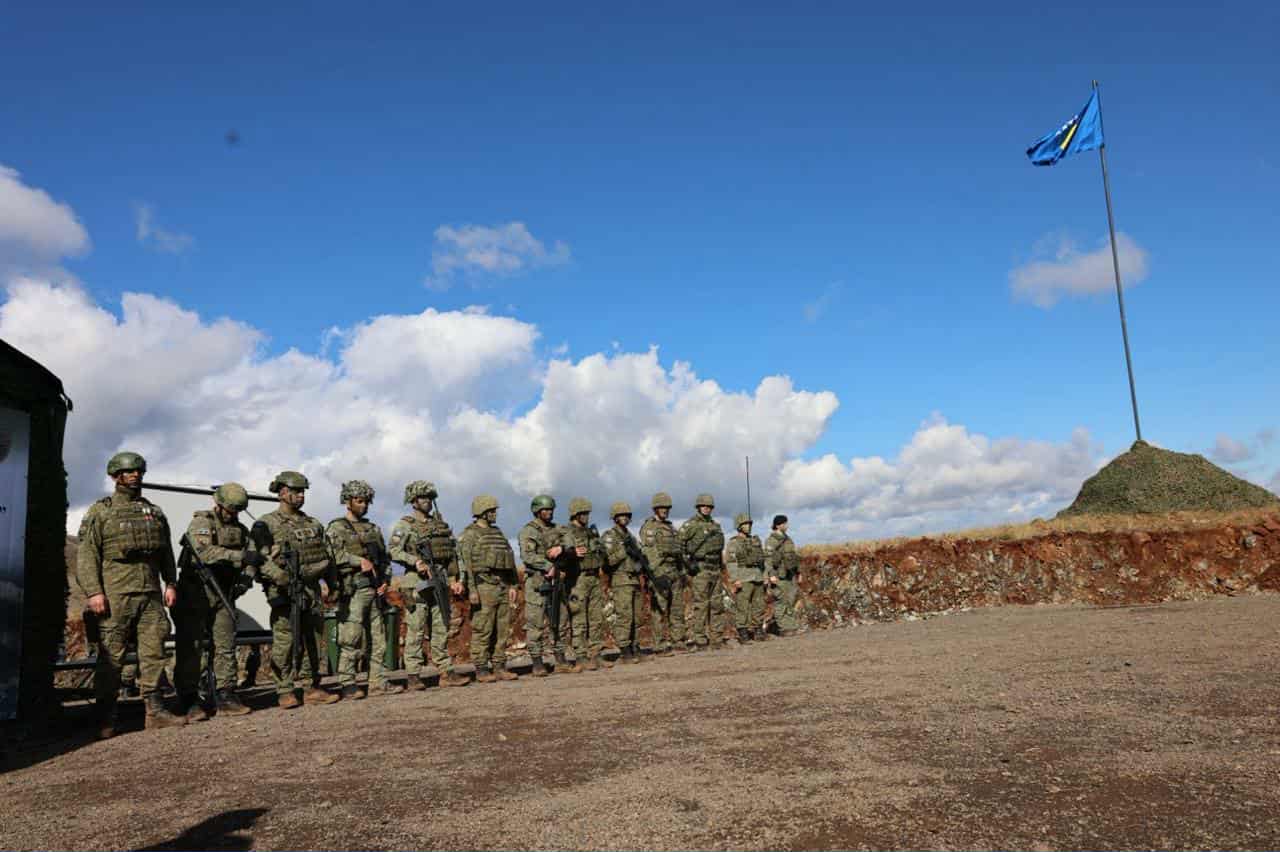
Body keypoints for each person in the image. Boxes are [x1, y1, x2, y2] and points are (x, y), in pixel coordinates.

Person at [77, 451, 185, 737]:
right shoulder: (101, 512)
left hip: (150, 594)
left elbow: (166, 551)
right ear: (116, 476)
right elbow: (87, 555)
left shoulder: (154, 512)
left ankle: (155, 711)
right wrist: (94, 592)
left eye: (139, 471)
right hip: (116, 594)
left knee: (154, 651)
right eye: (129, 471)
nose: (135, 475)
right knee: (111, 656)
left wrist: (170, 583)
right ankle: (105, 717)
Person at [249, 471, 340, 709]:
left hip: (311, 589)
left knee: (313, 639)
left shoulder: (312, 524)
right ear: (282, 492)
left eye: (303, 492)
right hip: (284, 591)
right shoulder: (266, 523)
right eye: (296, 491)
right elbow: (257, 558)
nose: (301, 496)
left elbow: (328, 555)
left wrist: (332, 584)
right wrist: (279, 577)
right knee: (285, 641)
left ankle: (311, 686)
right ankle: (285, 689)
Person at [174, 482, 263, 719]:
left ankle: (226, 694)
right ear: (219, 504)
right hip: (196, 593)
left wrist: (245, 580)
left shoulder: (241, 530)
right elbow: (204, 552)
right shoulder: (202, 523)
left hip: (224, 593)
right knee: (191, 647)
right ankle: (189, 698)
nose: (233, 514)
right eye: (231, 509)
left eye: (238, 510)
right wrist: (239, 556)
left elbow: (253, 558)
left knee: (225, 646)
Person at [327, 480, 403, 699]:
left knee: (378, 639)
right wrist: (357, 560)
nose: (364, 506)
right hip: (353, 591)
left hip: (375, 590)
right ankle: (347, 683)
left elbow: (384, 559)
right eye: (359, 501)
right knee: (351, 638)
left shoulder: (373, 529)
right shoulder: (337, 528)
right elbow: (332, 555)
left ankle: (378, 682)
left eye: (367, 502)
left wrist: (385, 581)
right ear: (348, 502)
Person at [388, 480, 469, 689]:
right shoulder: (405, 525)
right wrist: (415, 561)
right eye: (423, 498)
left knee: (441, 626)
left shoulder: (440, 526)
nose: (428, 502)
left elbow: (453, 554)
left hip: (440, 580)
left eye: (430, 498)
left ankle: (445, 671)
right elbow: (393, 550)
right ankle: (413, 675)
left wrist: (456, 579)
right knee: (415, 629)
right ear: (413, 501)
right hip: (417, 583)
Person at [457, 495, 520, 683]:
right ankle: (481, 668)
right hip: (483, 586)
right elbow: (466, 565)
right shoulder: (470, 535)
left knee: (502, 629)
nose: (495, 514)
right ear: (482, 512)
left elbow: (509, 560)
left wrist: (513, 584)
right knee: (483, 628)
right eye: (491, 511)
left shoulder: (497, 532)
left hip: (502, 585)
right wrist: (472, 590)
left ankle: (499, 666)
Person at [518, 494, 568, 676]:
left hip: (556, 582)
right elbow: (527, 556)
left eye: (551, 509)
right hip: (537, 582)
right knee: (535, 624)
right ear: (537, 511)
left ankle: (561, 659)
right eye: (545, 510)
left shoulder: (558, 529)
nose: (549, 513)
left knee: (559, 620)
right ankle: (537, 663)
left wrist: (562, 548)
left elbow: (570, 540)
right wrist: (547, 566)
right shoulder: (528, 531)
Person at [562, 498, 610, 670]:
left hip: (594, 577)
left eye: (587, 513)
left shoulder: (591, 532)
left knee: (597, 618)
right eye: (582, 513)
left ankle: (596, 654)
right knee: (579, 618)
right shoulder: (567, 533)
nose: (586, 516)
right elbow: (564, 555)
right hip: (578, 579)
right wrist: (572, 553)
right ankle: (581, 656)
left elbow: (601, 554)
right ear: (575, 514)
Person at [679, 493, 727, 651]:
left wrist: (721, 567)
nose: (706, 508)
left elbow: (719, 549)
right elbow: (680, 546)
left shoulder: (716, 526)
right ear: (698, 507)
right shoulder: (690, 525)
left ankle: (717, 638)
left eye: (709, 506)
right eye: (703, 506)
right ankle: (700, 639)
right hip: (700, 569)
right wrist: (688, 565)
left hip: (715, 569)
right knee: (701, 605)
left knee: (717, 604)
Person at [640, 492, 685, 656]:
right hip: (660, 572)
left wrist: (682, 572)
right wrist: (657, 575)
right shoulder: (649, 528)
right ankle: (659, 644)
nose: (665, 510)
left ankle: (678, 641)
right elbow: (649, 553)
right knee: (659, 610)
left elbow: (678, 552)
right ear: (655, 509)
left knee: (677, 608)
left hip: (674, 572)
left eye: (667, 508)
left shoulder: (672, 528)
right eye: (661, 507)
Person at [601, 502, 646, 664]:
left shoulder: (631, 536)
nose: (625, 518)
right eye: (621, 515)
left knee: (636, 616)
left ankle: (635, 645)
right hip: (620, 580)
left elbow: (638, 559)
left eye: (627, 515)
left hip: (634, 579)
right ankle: (624, 649)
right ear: (615, 517)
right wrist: (622, 551)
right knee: (624, 616)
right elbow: (606, 562)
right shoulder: (609, 536)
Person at [725, 514, 767, 642]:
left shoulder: (755, 541)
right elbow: (731, 562)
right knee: (742, 606)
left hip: (757, 576)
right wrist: (735, 579)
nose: (748, 526)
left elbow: (762, 560)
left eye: (749, 524)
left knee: (759, 605)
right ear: (739, 526)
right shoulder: (733, 543)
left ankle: (758, 630)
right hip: (743, 577)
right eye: (745, 524)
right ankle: (742, 632)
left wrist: (765, 575)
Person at [764, 515, 802, 636]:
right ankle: (783, 628)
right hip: (778, 576)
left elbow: (794, 557)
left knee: (790, 600)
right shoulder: (771, 540)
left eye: (786, 523)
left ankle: (791, 626)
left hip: (789, 574)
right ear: (778, 525)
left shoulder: (788, 539)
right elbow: (768, 559)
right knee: (780, 602)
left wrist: (798, 572)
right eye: (784, 523)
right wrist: (771, 575)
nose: (787, 525)